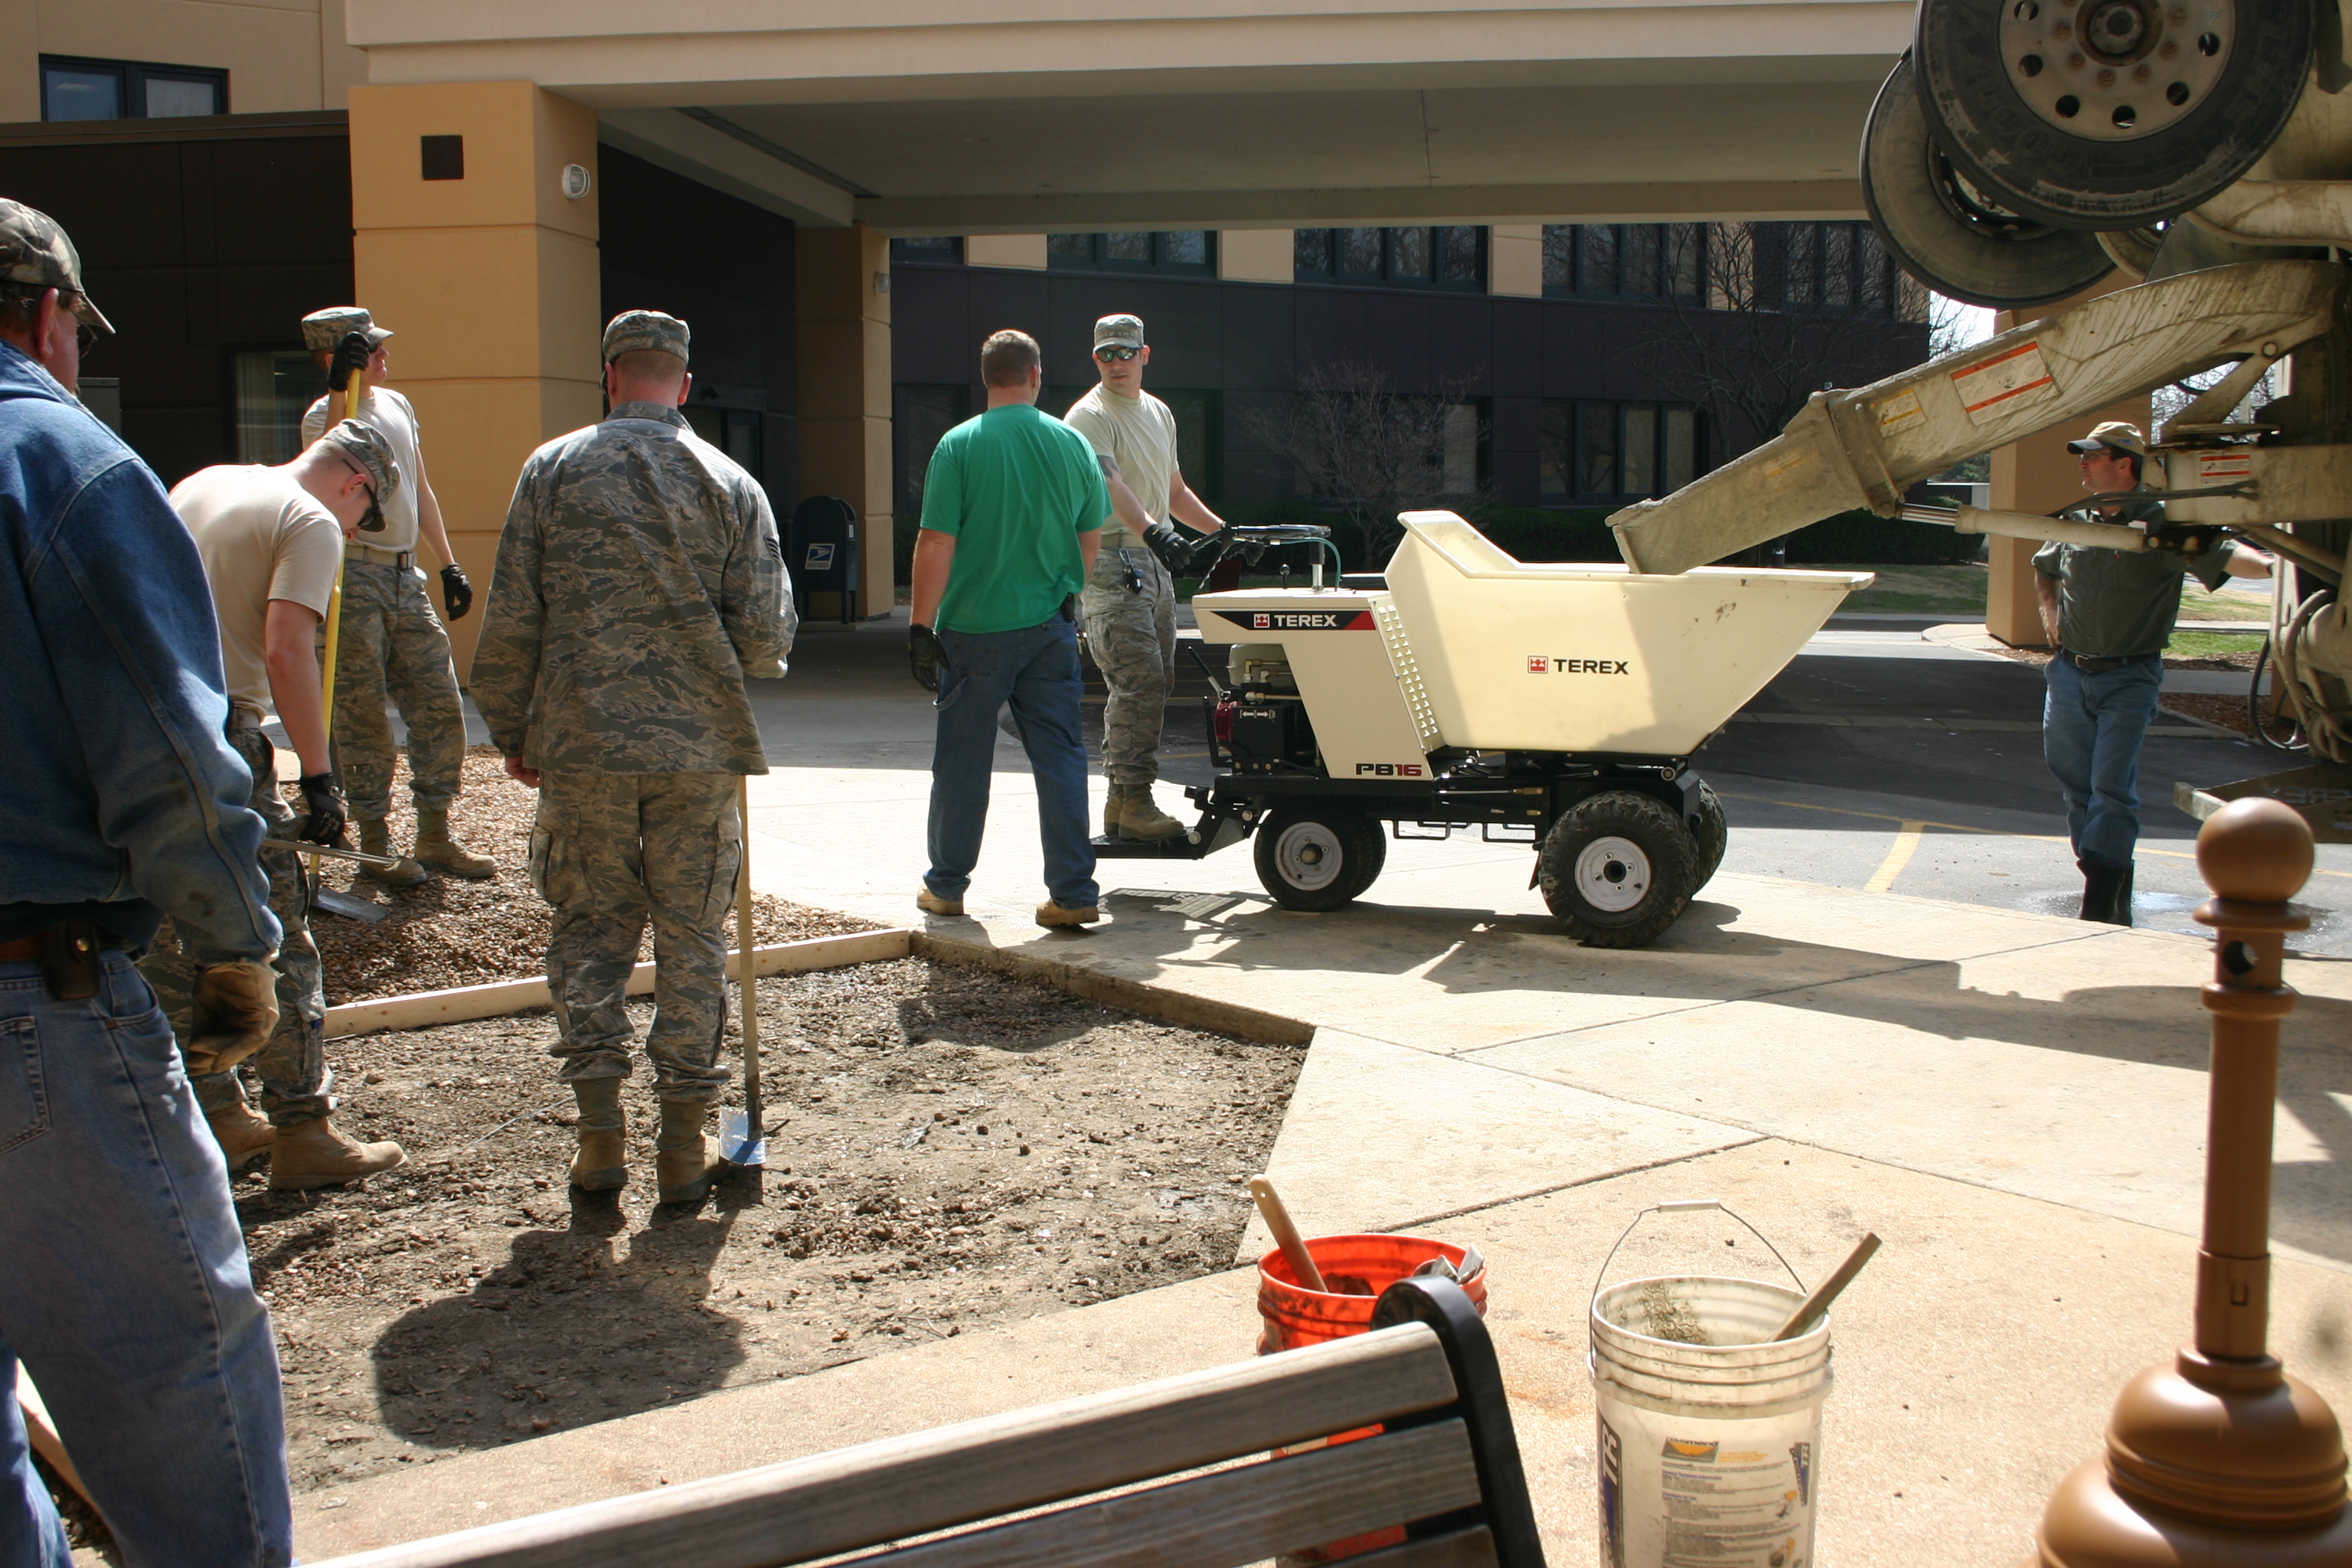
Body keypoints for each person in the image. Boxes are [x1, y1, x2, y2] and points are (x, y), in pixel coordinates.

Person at [0, 198, 293, 1566]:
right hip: (33, 1008)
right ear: (49, 314)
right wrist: (236, 944)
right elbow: (174, 758)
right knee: (180, 1377)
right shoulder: (63, 462)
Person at [472, 310, 792, 1204]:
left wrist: (514, 729)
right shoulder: (729, 479)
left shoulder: (552, 470)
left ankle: (599, 1140)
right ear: (684, 383)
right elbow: (767, 636)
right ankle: (685, 1147)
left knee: (591, 931)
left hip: (583, 747)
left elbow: (512, 616)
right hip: (697, 753)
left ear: (610, 375)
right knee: (692, 937)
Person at [148, 420, 412, 1188]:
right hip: (227, 738)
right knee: (278, 931)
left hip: (153, 728)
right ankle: (304, 1130)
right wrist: (320, 776)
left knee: (175, 929)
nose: (355, 531)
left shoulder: (203, 482)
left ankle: (216, 1110)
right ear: (356, 484)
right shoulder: (310, 520)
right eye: (364, 517)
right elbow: (288, 647)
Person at [2036, 420, 2272, 924]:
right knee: (2074, 780)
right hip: (2070, 674)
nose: (2083, 462)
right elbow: (2045, 565)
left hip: (2129, 677)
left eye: (2094, 455)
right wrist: (2050, 619)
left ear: (2124, 464)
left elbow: (2234, 559)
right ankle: (2106, 873)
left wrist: (2277, 564)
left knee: (2111, 785)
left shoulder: (2166, 523)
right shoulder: (2076, 518)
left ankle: (2102, 895)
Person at [910, 328, 1108, 926]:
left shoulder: (959, 444)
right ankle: (1073, 895)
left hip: (973, 631)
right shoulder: (1072, 444)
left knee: (963, 763)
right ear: (1036, 375)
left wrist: (921, 626)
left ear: (987, 376)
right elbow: (1090, 539)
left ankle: (947, 887)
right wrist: (1068, 592)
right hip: (1050, 628)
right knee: (1062, 760)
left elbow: (936, 539)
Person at [297, 305, 495, 888]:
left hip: (404, 575)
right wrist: (340, 392)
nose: (384, 354)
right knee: (361, 713)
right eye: (368, 348)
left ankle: (434, 833)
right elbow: (326, 469)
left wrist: (448, 562)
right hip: (352, 574)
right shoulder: (323, 417)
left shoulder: (399, 406)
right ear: (337, 359)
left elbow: (420, 483)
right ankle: (376, 844)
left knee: (438, 700)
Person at [1063, 313, 1229, 841]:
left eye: (1125, 353)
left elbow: (1175, 491)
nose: (1116, 362)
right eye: (1105, 354)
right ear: (1095, 359)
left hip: (1152, 566)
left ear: (1145, 355)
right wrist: (1157, 533)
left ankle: (1121, 805)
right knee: (1138, 681)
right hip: (1113, 561)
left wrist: (1226, 535)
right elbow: (1110, 485)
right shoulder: (1088, 416)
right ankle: (1134, 802)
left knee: (1157, 685)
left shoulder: (1158, 412)